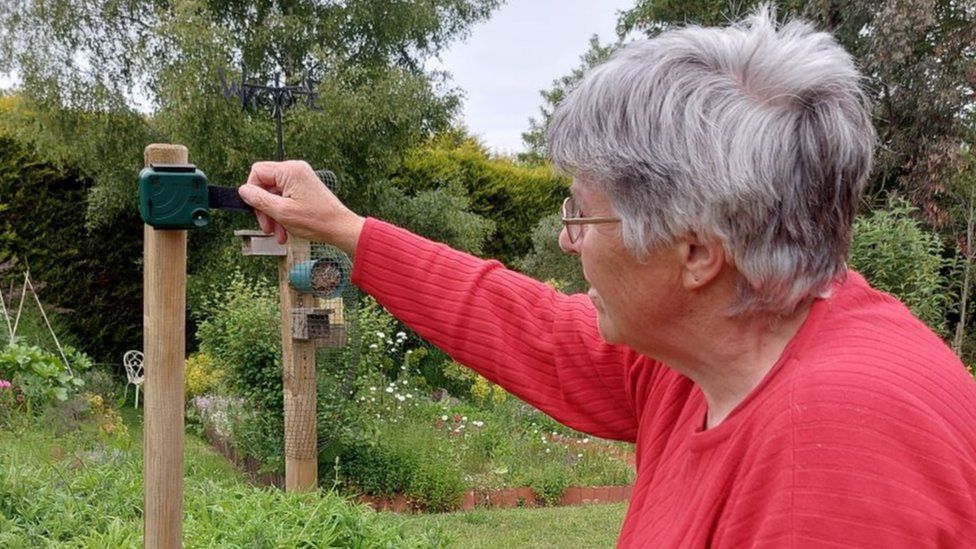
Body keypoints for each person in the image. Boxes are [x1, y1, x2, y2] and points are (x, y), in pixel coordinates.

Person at [238, 7, 976, 548]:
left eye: (583, 215)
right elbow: (532, 329)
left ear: (695, 252)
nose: (565, 239)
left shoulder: (834, 460)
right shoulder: (730, 336)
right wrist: (344, 230)